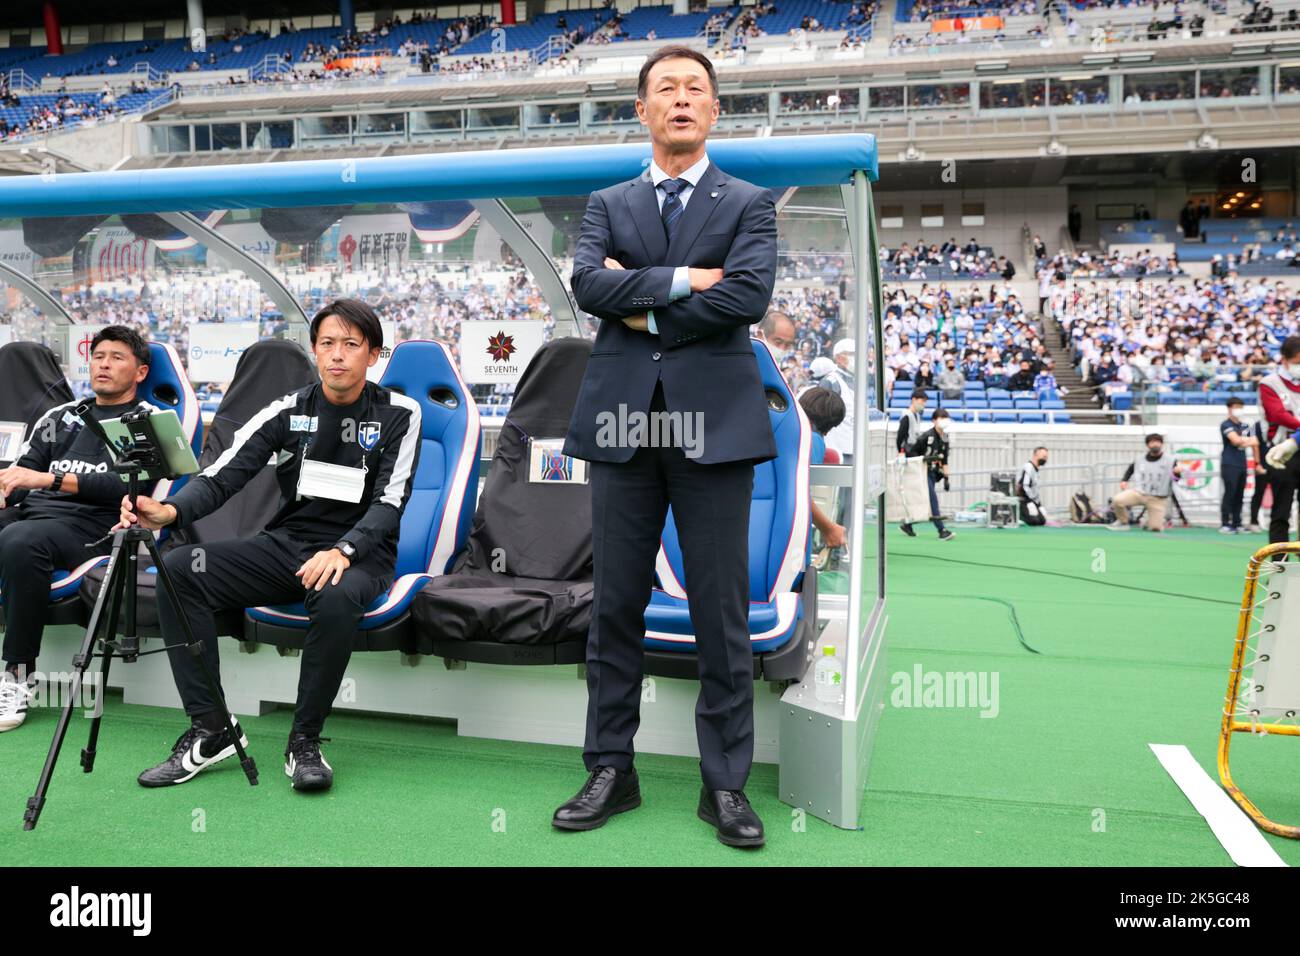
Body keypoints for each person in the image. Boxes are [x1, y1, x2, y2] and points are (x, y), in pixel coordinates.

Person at [555, 45, 778, 848]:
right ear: (642, 110)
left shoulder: (749, 202)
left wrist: (639, 299)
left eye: (695, 90)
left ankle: (725, 785)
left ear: (714, 110)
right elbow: (586, 285)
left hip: (712, 428)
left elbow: (750, 295)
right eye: (665, 91)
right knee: (614, 603)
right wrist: (690, 282)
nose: (681, 100)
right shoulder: (607, 201)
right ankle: (611, 767)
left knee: (720, 611)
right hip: (624, 422)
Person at [118, 299, 422, 792]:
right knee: (178, 569)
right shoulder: (290, 408)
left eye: (351, 345)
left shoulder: (400, 414)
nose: (337, 356)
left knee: (337, 594)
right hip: (286, 545)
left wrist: (343, 550)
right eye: (327, 344)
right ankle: (212, 727)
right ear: (314, 351)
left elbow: (390, 503)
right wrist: (171, 511)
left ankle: (305, 741)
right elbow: (222, 476)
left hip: (361, 555)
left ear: (374, 355)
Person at [0, 327, 153, 732]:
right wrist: (7, 492)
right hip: (34, 513)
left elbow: (131, 488)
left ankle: (17, 675)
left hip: (91, 527)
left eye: (117, 357)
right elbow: (23, 474)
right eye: (98, 355)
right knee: (15, 528)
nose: (103, 364)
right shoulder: (63, 416)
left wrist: (49, 481)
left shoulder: (145, 422)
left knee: (19, 541)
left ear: (140, 372)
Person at [1259, 336, 1300, 543]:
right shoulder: (1269, 383)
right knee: (1281, 511)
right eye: (1297, 362)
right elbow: (1277, 415)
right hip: (1281, 453)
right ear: (1284, 359)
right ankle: (1279, 569)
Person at [1109, 433, 1183, 532]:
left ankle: (1148, 522)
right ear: (1147, 445)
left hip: (1158, 497)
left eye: (1158, 442)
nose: (1155, 444)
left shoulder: (1170, 460)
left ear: (1161, 444)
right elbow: (1131, 469)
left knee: (1155, 528)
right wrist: (1124, 480)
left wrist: (1177, 473)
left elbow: (1176, 479)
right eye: (1152, 442)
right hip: (1140, 493)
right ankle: (1123, 522)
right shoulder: (1140, 459)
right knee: (1117, 500)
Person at [899, 409, 955, 541]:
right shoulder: (926, 436)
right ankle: (941, 530)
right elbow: (912, 452)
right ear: (934, 420)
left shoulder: (945, 437)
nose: (944, 421)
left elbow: (945, 459)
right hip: (923, 472)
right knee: (932, 499)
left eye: (946, 418)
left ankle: (908, 524)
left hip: (934, 473)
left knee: (926, 502)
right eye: (941, 418)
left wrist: (946, 478)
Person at [1219, 396, 1257, 534]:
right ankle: (1225, 523)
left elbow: (1255, 442)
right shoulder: (1226, 424)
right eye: (1236, 407)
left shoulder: (1246, 425)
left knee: (1240, 494)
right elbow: (1235, 441)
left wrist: (1244, 441)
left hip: (1242, 463)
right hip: (1229, 463)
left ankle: (1237, 523)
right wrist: (1246, 440)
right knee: (1230, 492)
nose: (1238, 410)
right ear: (1229, 408)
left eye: (1240, 407)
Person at [1248, 416, 1273, 533]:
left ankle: (1279, 522)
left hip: (1278, 465)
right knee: (1258, 493)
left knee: (1281, 495)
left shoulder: (1282, 423)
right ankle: (1253, 521)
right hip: (1262, 465)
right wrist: (1257, 463)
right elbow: (1254, 445)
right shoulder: (1256, 425)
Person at [1017, 445, 1048, 526]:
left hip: (1032, 500)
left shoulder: (1036, 470)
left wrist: (1038, 503)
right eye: (1043, 456)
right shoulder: (1028, 467)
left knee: (1042, 521)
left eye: (1046, 457)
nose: (1045, 459)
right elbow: (1024, 486)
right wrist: (1032, 501)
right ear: (1036, 455)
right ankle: (1019, 515)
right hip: (1024, 500)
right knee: (1034, 521)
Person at [895, 391, 927, 457]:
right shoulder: (907, 415)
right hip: (908, 450)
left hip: (915, 449)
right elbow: (900, 437)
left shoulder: (917, 415)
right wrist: (901, 452)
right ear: (914, 400)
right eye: (922, 401)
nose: (924, 404)